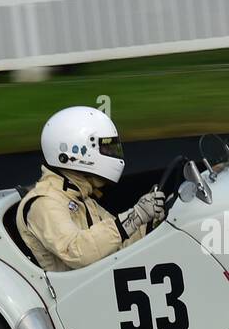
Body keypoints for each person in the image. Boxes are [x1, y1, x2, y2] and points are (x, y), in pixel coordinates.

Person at [17, 107, 166, 272]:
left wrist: (152, 223)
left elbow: (118, 241)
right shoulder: (45, 203)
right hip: (73, 292)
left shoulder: (80, 197)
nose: (112, 154)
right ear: (77, 151)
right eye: (106, 148)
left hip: (97, 280)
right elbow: (78, 252)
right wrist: (135, 216)